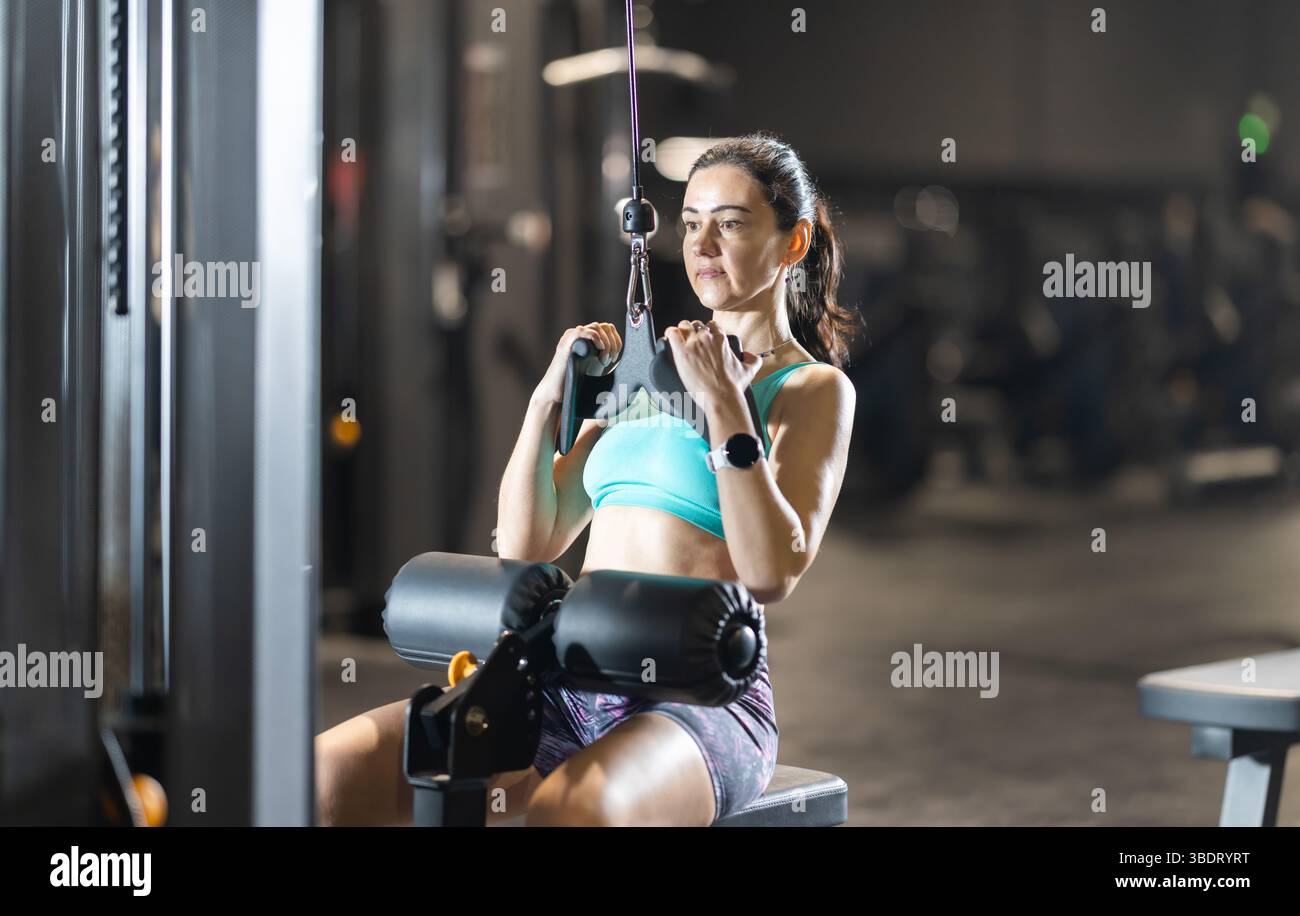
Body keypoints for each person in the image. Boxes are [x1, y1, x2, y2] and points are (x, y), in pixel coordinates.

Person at [316, 131, 861, 826]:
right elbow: (527, 545)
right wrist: (547, 400)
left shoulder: (810, 390)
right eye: (692, 224)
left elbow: (770, 573)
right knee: (328, 775)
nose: (702, 245)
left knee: (571, 811)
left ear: (793, 242)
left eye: (730, 224)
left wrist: (726, 408)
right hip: (567, 678)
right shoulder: (647, 374)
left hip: (699, 699)